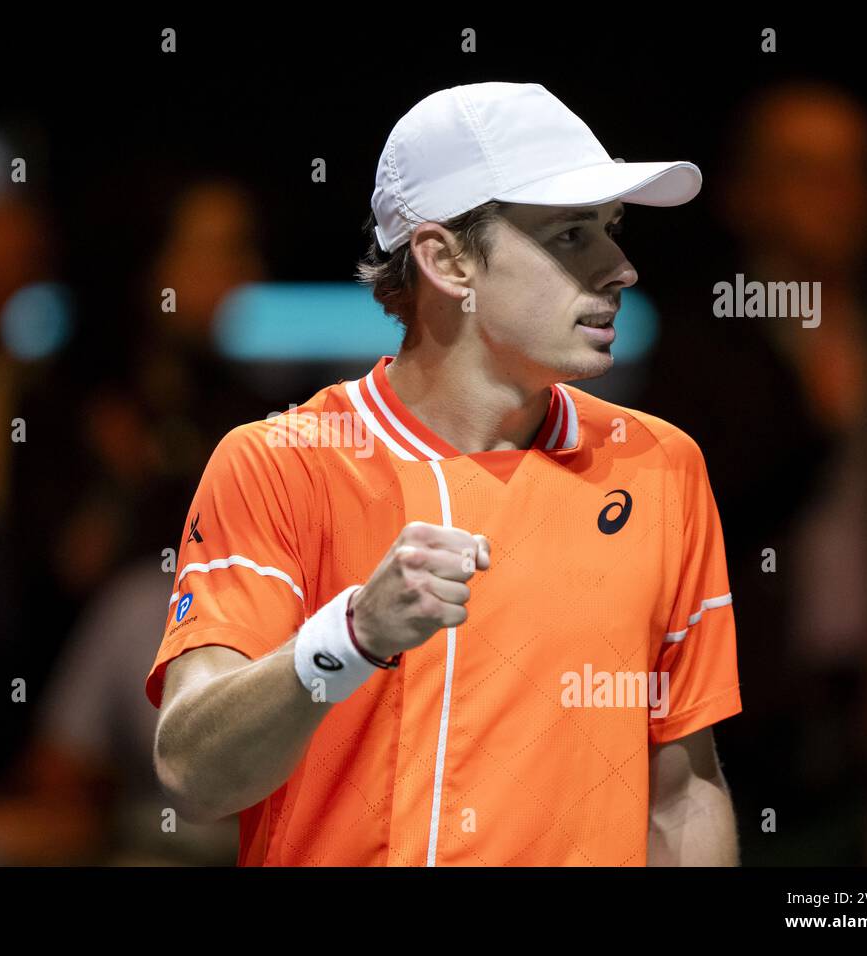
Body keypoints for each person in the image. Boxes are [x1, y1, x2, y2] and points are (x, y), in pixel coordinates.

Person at [145, 82, 742, 866]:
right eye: (570, 236)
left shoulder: (662, 465)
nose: (620, 268)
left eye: (612, 229)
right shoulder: (276, 462)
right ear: (446, 258)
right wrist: (350, 637)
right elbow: (195, 775)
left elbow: (685, 793)